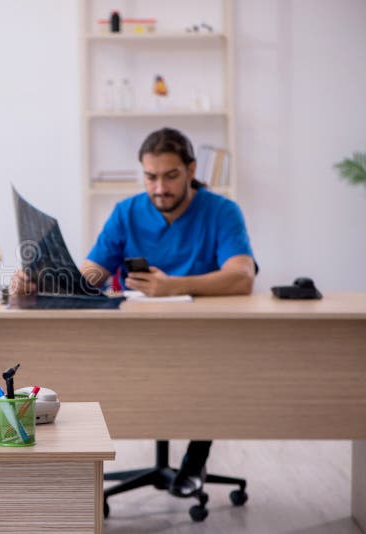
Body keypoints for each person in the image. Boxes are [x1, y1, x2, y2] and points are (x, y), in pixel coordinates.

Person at [13, 127, 256, 497]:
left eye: (171, 176)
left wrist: (175, 285)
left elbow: (242, 276)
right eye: (151, 177)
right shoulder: (127, 212)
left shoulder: (222, 211)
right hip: (139, 335)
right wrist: (46, 280)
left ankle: (197, 450)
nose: (160, 188)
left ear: (191, 170)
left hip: (205, 336)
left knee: (210, 368)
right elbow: (93, 274)